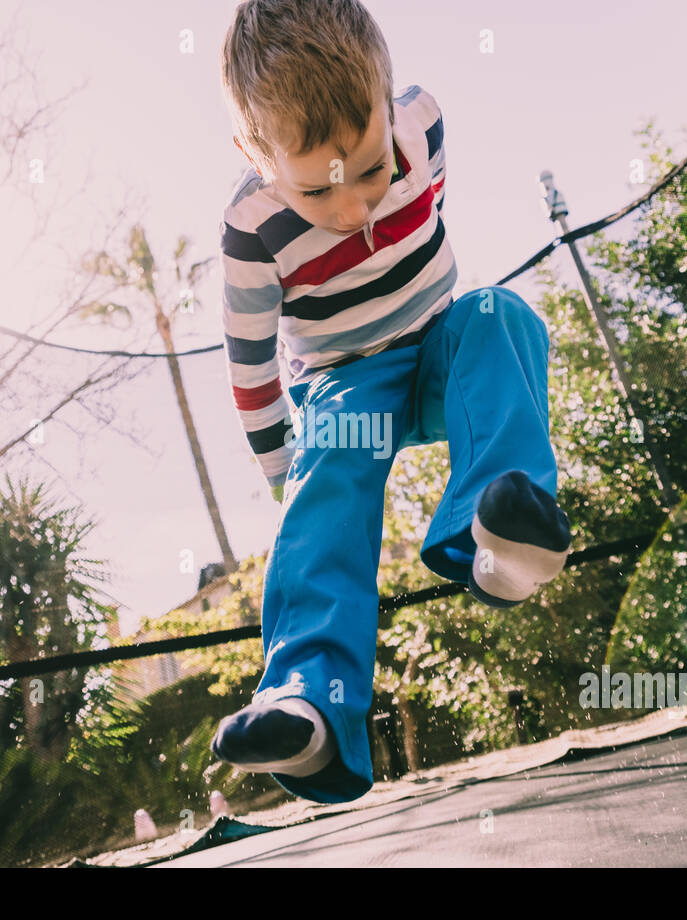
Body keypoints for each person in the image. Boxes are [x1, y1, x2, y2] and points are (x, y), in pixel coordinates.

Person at [211, 0, 572, 804]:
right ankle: (309, 700)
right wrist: (286, 478)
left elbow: (426, 224)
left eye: (372, 170)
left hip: (441, 346)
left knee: (502, 315)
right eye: (316, 192)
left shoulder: (426, 121)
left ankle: (496, 528)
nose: (353, 211)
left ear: (387, 100)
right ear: (255, 153)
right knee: (333, 457)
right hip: (347, 380)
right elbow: (251, 367)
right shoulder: (250, 228)